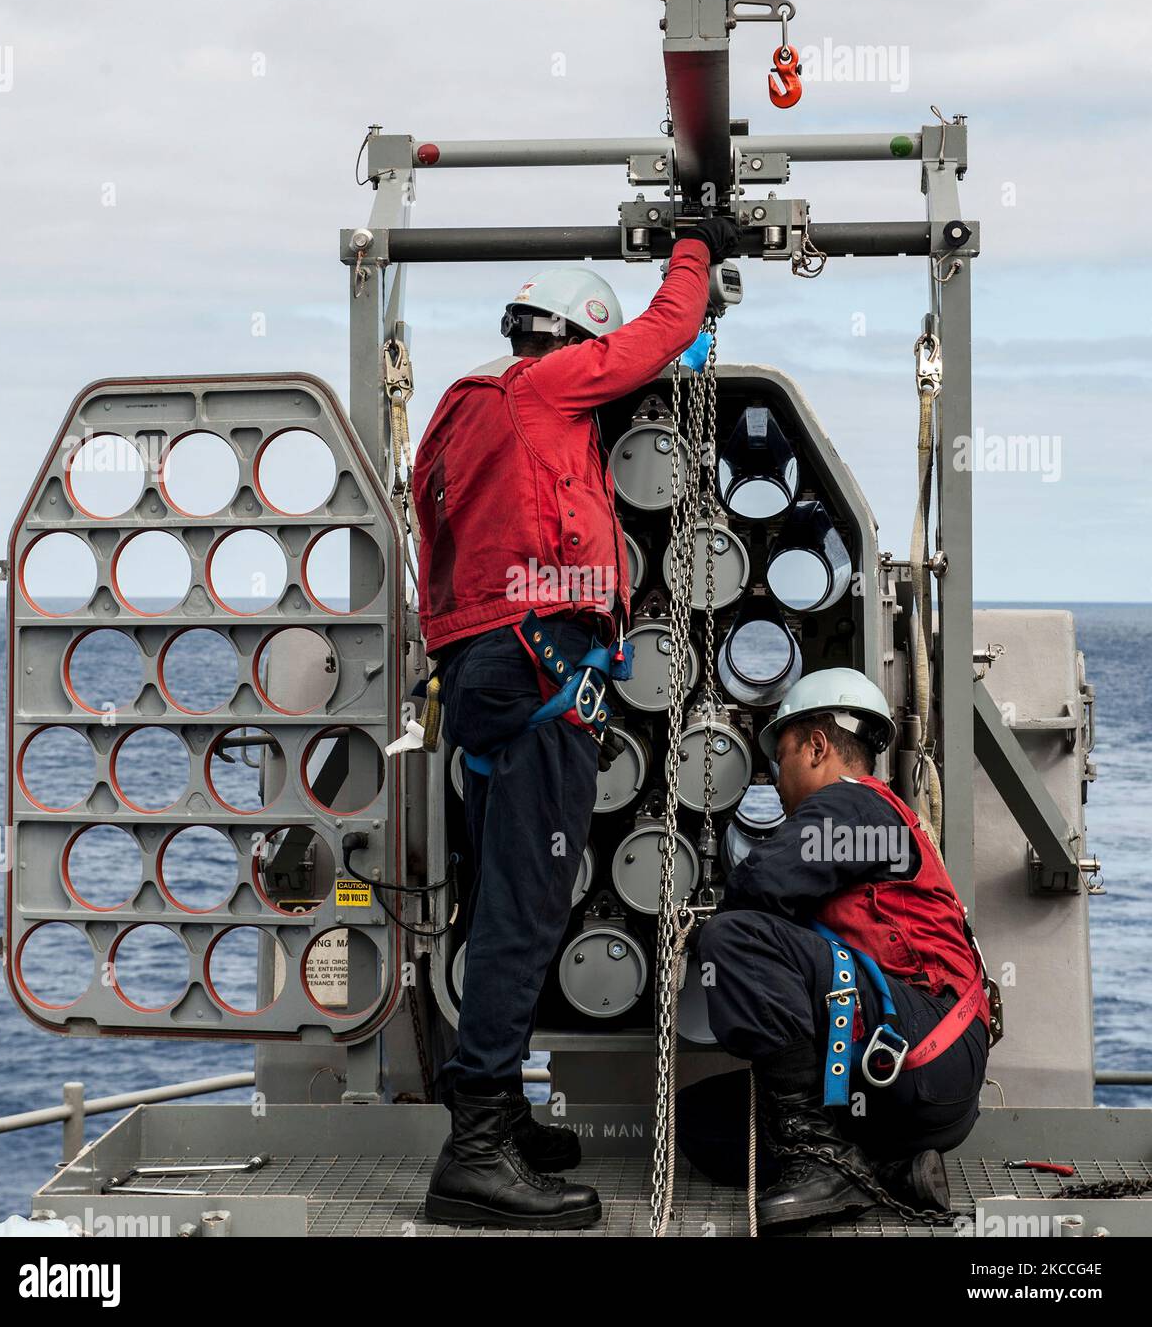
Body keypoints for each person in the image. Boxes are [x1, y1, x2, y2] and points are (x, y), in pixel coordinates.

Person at [413, 217, 741, 1229]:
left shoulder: (463, 418)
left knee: (500, 897)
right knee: (525, 909)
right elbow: (663, 328)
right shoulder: (548, 388)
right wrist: (695, 247)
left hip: (485, 673)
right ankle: (473, 1153)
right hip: (537, 671)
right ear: (570, 339)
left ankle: (498, 1113)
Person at [676, 668, 991, 1231]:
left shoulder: (855, 807)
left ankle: (819, 1162)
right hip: (917, 1086)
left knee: (734, 936)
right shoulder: (881, 821)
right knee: (698, 1124)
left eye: (783, 759)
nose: (776, 779)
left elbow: (762, 883)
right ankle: (887, 1170)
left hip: (925, 1052)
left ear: (817, 746)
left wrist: (700, 935)